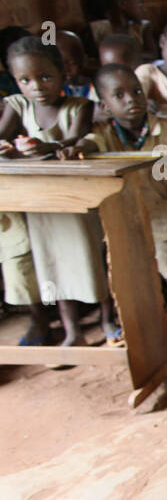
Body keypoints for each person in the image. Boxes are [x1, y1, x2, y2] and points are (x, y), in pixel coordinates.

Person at [68, 65, 167, 345]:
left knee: (165, 255)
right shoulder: (102, 134)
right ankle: (124, 318)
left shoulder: (166, 129)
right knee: (115, 259)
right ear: (104, 104)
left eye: (136, 91)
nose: (131, 100)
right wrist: (77, 148)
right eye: (119, 95)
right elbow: (87, 144)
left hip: (162, 212)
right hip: (121, 217)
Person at [0, 37, 105, 348]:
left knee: (85, 261)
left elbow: (73, 140)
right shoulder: (18, 106)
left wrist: (48, 147)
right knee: (51, 266)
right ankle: (71, 331)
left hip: (74, 202)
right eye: (25, 80)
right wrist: (7, 147)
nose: (36, 87)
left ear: (63, 75)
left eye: (45, 77)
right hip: (38, 205)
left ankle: (107, 320)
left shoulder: (79, 107)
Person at [90, 0, 157, 60]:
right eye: (140, 3)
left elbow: (152, 55)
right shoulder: (96, 29)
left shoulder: (143, 27)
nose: (144, 9)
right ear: (122, 4)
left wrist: (121, 56)